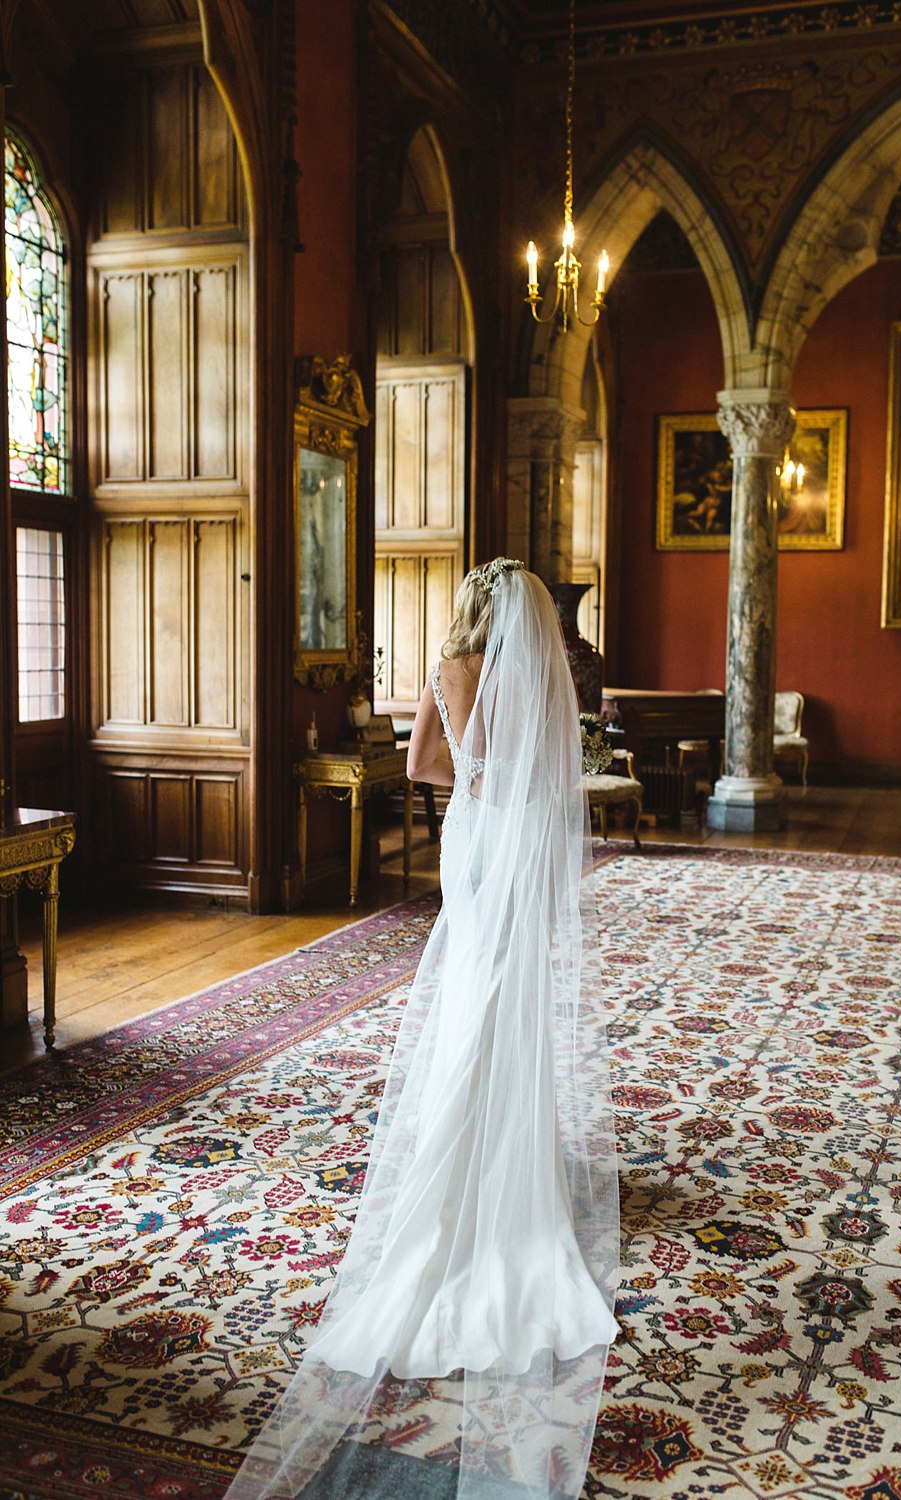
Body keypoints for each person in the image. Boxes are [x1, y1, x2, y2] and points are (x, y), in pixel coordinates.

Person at [226, 559, 620, 1500]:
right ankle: (501, 1164)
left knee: (465, 997)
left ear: (471, 607)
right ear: (526, 616)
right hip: (517, 844)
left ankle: (458, 1155)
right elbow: (546, 773)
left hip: (473, 842)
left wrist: (473, 780)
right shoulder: (537, 670)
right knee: (505, 999)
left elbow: (424, 769)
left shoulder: (450, 663)